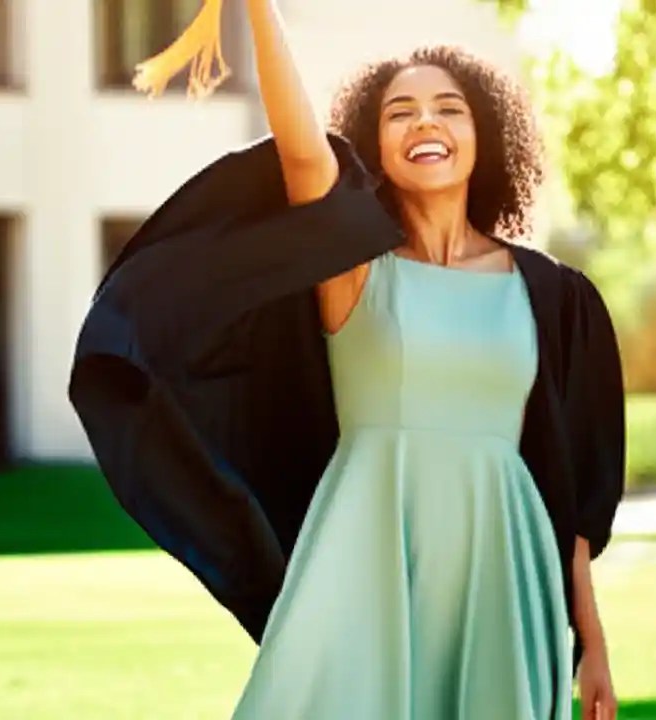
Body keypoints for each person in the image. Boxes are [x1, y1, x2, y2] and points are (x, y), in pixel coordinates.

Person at [67, 1, 625, 719]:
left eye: (448, 108)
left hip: (502, 558)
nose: (425, 122)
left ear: (482, 135)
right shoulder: (352, 265)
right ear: (375, 142)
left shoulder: (553, 295)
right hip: (366, 548)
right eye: (400, 113)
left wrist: (594, 642)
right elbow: (300, 147)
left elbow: (574, 487)